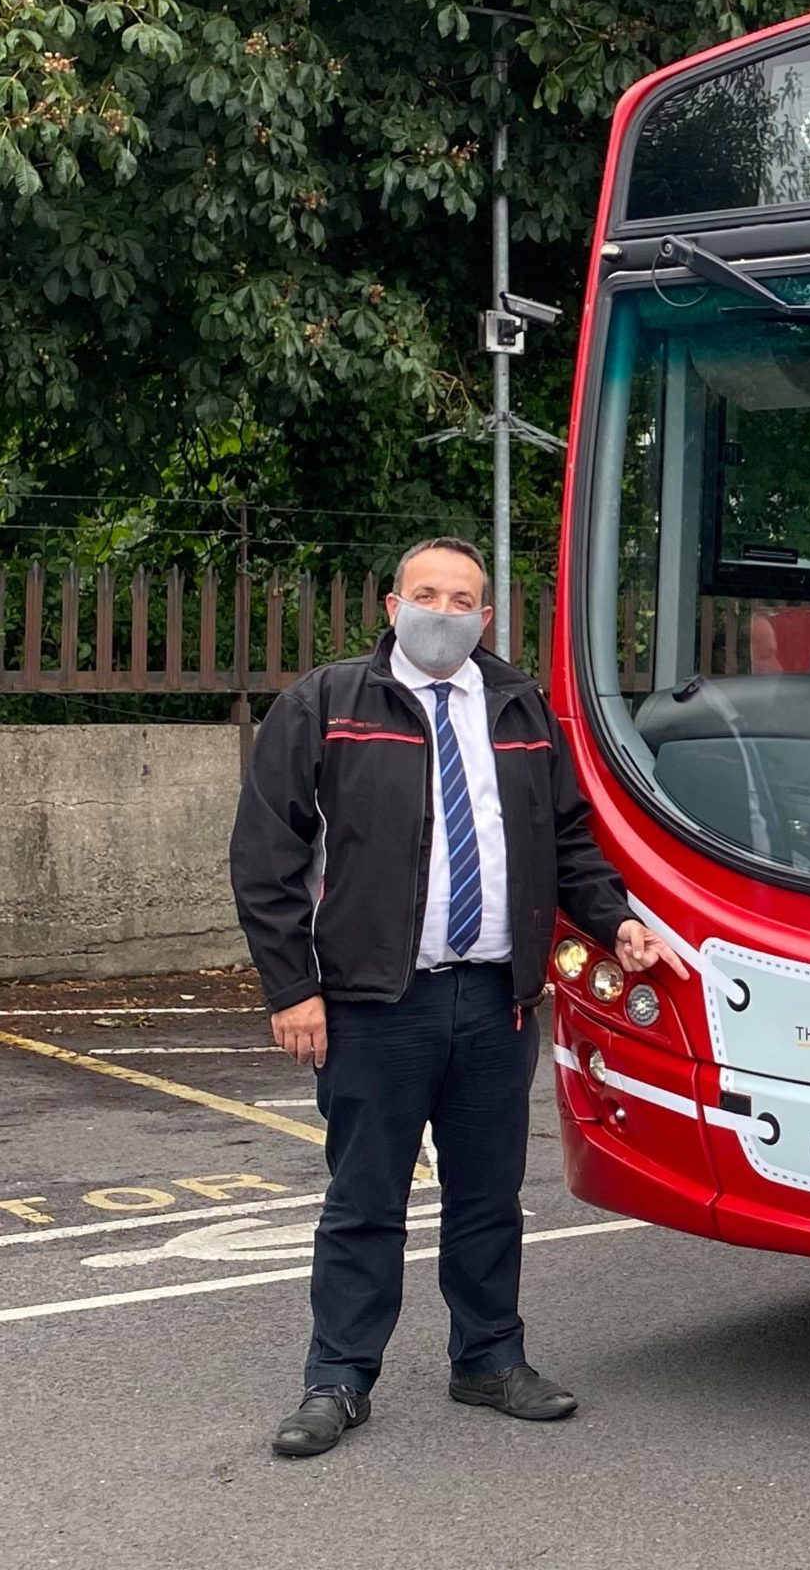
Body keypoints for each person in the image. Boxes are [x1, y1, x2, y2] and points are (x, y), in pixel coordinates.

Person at [230, 537, 688, 1459]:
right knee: (366, 1198)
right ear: (391, 606)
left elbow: (568, 840)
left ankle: (488, 1356)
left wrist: (616, 921)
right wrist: (293, 987)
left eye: (464, 598)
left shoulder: (519, 706)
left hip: (494, 1000)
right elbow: (265, 853)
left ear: (487, 615)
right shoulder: (325, 704)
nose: (445, 611)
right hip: (372, 1004)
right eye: (427, 593)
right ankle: (338, 1378)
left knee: (489, 1196)